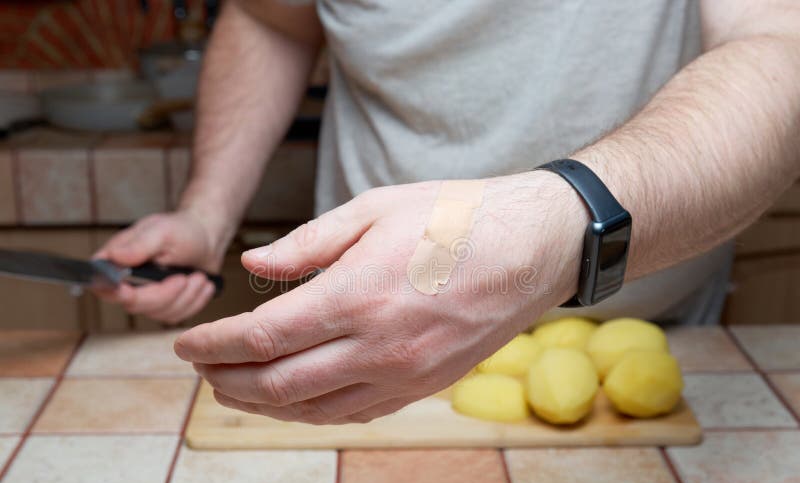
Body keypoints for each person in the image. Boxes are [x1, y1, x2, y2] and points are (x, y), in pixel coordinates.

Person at [95, 0, 800, 424]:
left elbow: (779, 48)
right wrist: (205, 214)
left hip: (644, 331)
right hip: (367, 352)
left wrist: (560, 227)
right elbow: (268, 18)